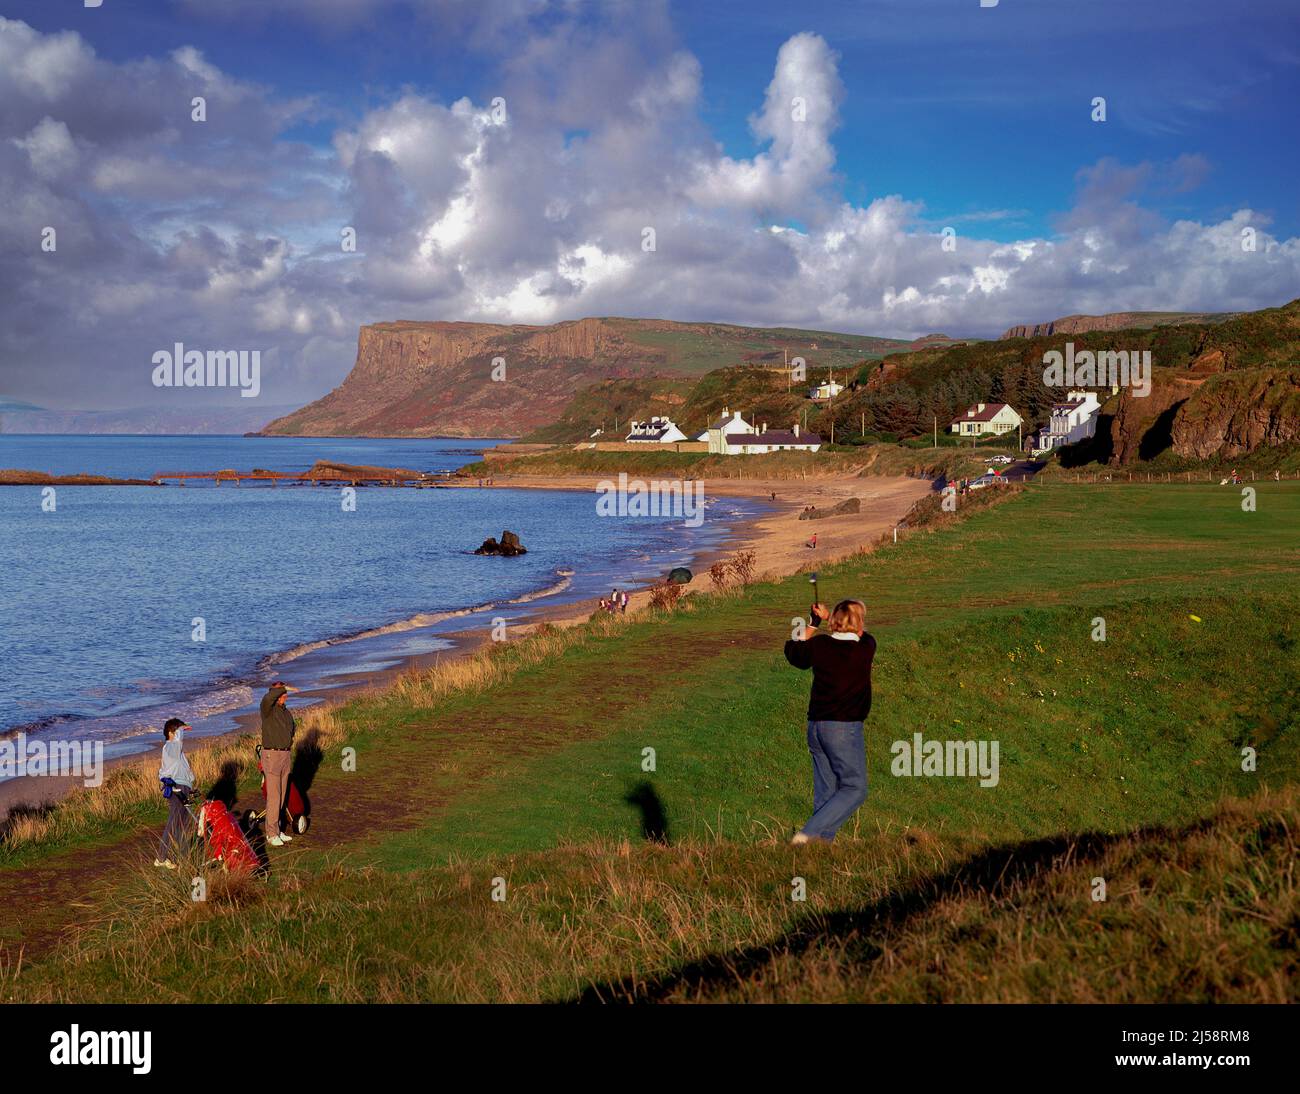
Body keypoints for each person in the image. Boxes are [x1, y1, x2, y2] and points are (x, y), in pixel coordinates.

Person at [782, 599, 877, 844]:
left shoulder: (820, 645)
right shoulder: (865, 648)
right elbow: (862, 635)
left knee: (826, 794)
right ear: (859, 624)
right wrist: (829, 620)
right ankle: (807, 836)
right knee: (854, 788)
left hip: (816, 728)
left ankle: (819, 849)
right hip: (843, 730)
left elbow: (794, 651)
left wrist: (814, 623)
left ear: (834, 623)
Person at [260, 682, 299, 847]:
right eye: (282, 694)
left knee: (282, 795)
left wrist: (288, 740)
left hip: (285, 754)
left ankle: (278, 830)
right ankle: (271, 833)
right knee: (274, 796)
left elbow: (292, 728)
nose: (285, 696)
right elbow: (269, 697)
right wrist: (285, 687)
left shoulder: (285, 712)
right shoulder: (267, 709)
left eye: (285, 694)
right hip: (272, 755)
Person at [155, 718, 196, 868]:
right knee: (174, 822)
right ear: (171, 733)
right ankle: (161, 857)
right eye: (177, 730)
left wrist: (191, 785)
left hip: (182, 786)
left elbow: (184, 769)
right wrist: (181, 729)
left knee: (181, 824)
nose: (180, 733)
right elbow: (177, 742)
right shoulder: (171, 746)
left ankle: (183, 857)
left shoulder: (175, 750)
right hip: (176, 787)